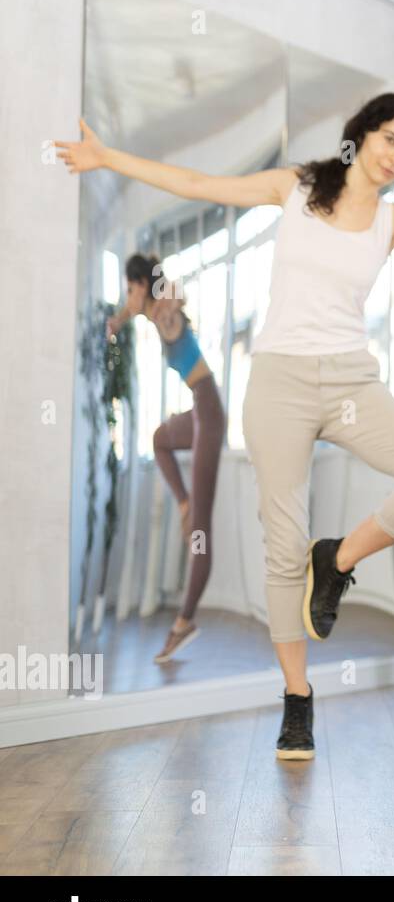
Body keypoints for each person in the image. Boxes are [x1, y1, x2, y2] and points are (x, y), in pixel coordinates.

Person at [58, 92, 394, 759]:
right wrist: (107, 157)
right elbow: (196, 183)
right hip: (279, 383)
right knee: (280, 542)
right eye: (390, 139)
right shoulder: (294, 188)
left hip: (353, 379)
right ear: (362, 133)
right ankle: (298, 699)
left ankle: (338, 558)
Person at [107, 253, 227, 664]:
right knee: (160, 439)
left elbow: (179, 295)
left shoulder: (165, 313)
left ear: (143, 285)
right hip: (199, 410)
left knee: (201, 532)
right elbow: (130, 308)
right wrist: (117, 322)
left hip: (209, 413)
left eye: (130, 287)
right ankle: (184, 501)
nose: (127, 298)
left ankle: (184, 621)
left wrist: (169, 298)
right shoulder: (148, 311)